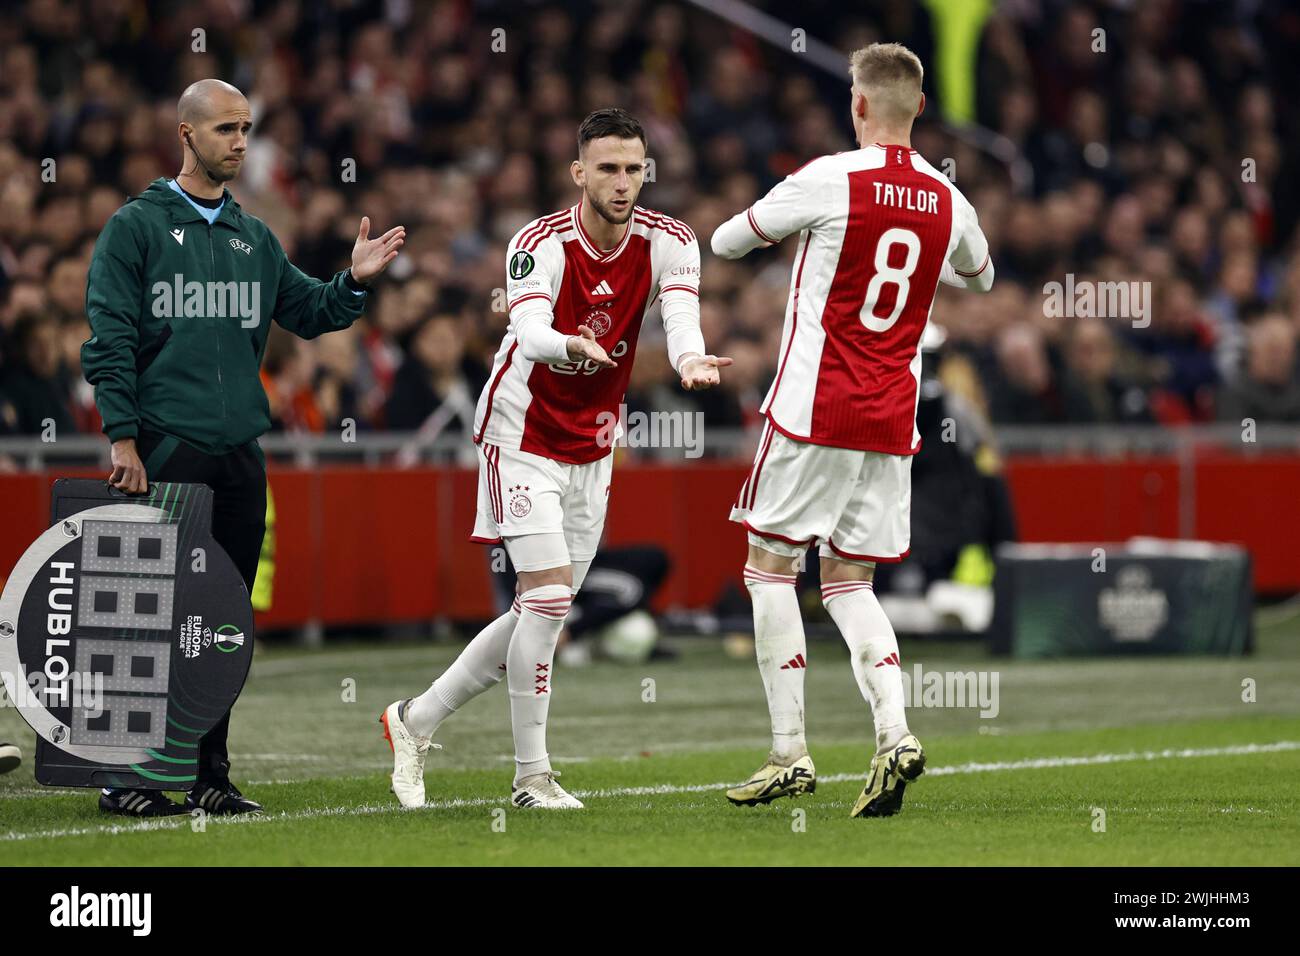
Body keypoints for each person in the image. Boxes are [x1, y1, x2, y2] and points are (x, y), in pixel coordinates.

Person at [381, 108, 729, 809]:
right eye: (608, 168)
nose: (623, 182)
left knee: (545, 608)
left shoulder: (671, 240)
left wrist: (689, 358)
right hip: (522, 432)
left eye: (633, 169)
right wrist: (570, 344)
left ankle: (414, 719)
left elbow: (680, 315)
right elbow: (530, 327)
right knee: (544, 599)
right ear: (579, 173)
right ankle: (532, 777)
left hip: (592, 444)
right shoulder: (537, 242)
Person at [82, 78, 405, 817]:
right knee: (149, 614)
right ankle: (127, 775)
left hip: (238, 452)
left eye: (247, 128)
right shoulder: (134, 227)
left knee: (221, 622)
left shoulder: (252, 236)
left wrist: (352, 282)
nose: (239, 141)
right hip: (166, 444)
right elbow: (109, 338)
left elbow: (308, 311)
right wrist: (123, 436)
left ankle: (210, 774)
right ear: (185, 133)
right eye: (226, 128)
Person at [710, 43, 994, 818]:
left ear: (858, 104)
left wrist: (794, 231)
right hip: (892, 416)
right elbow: (982, 277)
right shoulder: (946, 197)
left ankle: (789, 752)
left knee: (770, 570)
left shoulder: (829, 177)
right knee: (848, 581)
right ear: (921, 108)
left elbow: (728, 241)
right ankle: (894, 733)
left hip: (815, 407)